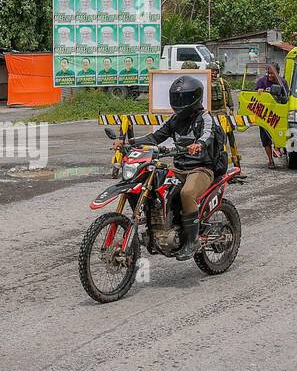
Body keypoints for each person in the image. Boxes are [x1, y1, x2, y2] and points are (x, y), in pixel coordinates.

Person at [113, 75, 227, 260]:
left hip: (201, 169)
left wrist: (199, 144)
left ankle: (192, 241)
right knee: (154, 184)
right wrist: (129, 143)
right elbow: (156, 137)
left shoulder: (206, 118)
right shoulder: (175, 120)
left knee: (187, 193)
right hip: (179, 167)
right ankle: (160, 224)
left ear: (194, 99)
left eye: (183, 99)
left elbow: (207, 136)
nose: (178, 103)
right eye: (176, 98)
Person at [207, 62, 240, 167]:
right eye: (211, 71)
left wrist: (231, 108)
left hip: (222, 112)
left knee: (226, 137)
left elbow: (229, 96)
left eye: (215, 71)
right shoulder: (204, 82)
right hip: (210, 113)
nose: (213, 73)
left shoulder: (223, 82)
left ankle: (235, 165)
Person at [255, 61, 287, 169]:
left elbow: (286, 98)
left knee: (279, 135)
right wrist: (260, 92)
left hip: (278, 115)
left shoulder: (282, 82)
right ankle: (270, 161)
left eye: (272, 73)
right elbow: (253, 98)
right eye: (268, 73)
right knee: (265, 140)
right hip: (264, 115)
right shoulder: (261, 82)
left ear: (277, 73)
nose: (270, 75)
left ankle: (278, 148)